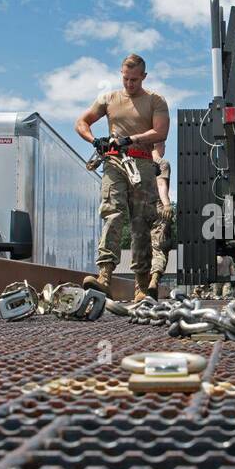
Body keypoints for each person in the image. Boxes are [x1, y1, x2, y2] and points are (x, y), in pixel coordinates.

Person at [75, 54, 169, 300]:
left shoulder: (155, 101)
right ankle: (104, 276)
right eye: (126, 79)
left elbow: (161, 131)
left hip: (143, 164)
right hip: (115, 162)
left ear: (144, 77)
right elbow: (81, 122)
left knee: (141, 222)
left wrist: (132, 138)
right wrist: (95, 140)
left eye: (135, 80)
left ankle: (141, 284)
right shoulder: (108, 99)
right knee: (112, 212)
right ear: (121, 75)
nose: (130, 84)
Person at [148, 142, 173, 296]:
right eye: (164, 146)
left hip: (141, 208)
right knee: (159, 248)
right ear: (160, 146)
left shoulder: (140, 163)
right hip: (158, 208)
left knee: (142, 248)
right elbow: (161, 184)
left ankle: (141, 286)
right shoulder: (162, 163)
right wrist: (167, 204)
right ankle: (154, 279)